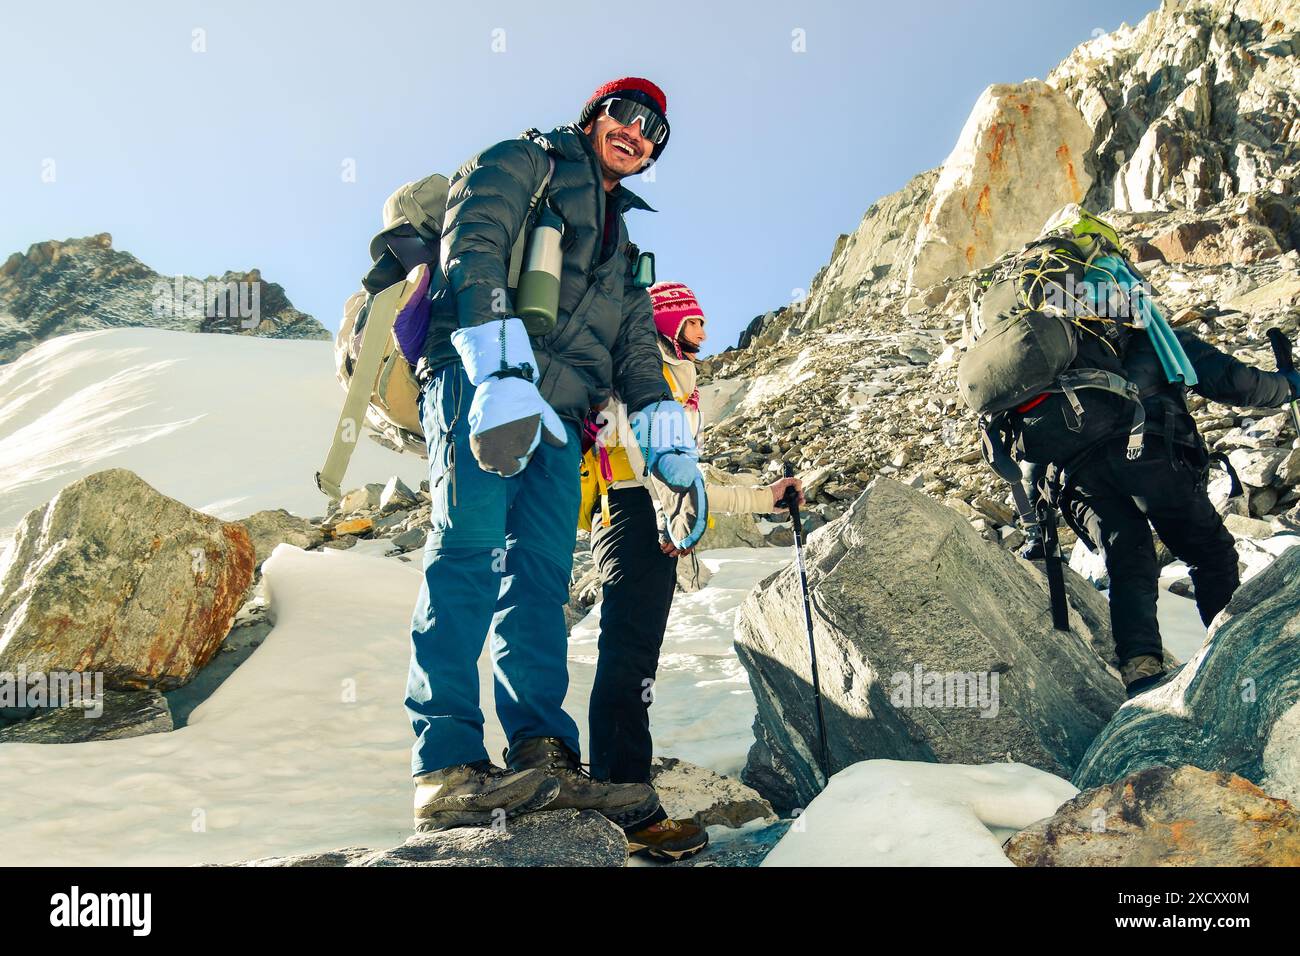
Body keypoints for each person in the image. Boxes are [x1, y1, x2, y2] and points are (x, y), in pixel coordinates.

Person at [404, 79, 710, 832]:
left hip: (560, 418)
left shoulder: (627, 250)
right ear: (595, 115)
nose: (638, 134)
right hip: (478, 378)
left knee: (538, 581)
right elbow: (470, 244)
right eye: (628, 114)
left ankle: (543, 754)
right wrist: (498, 371)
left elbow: (640, 359)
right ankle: (445, 765)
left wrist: (672, 457)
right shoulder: (524, 161)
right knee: (467, 553)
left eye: (654, 133)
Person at [579, 280, 803, 859]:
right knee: (628, 656)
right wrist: (669, 509)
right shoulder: (639, 373)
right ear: (669, 322)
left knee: (634, 656)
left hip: (648, 519)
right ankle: (626, 808)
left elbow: (691, 480)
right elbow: (645, 459)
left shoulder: (680, 384)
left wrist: (764, 497)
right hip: (630, 513)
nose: (705, 334)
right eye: (695, 322)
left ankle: (623, 790)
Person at [1043, 327, 1299, 697]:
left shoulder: (1047, 355)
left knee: (1127, 559)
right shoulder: (1150, 334)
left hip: (1075, 477)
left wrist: (1036, 526)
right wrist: (1286, 387)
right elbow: (1231, 380)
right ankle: (1235, 660)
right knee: (1210, 555)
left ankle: (1142, 675)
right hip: (1148, 453)